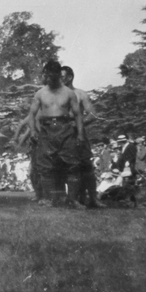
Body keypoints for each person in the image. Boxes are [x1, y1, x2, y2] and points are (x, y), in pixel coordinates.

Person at [21, 60, 85, 208]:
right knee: (45, 166)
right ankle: (49, 199)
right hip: (46, 129)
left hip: (66, 128)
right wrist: (33, 132)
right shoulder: (40, 93)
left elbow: (77, 115)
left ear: (58, 75)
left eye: (53, 76)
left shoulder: (69, 93)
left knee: (73, 165)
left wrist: (80, 134)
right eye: (47, 76)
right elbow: (31, 114)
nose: (50, 78)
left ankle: (73, 199)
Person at [60, 66, 106, 208]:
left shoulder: (80, 94)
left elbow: (92, 114)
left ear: (70, 77)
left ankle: (93, 198)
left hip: (78, 133)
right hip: (60, 135)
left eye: (62, 76)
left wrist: (78, 124)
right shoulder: (55, 95)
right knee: (68, 167)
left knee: (86, 166)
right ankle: (72, 200)